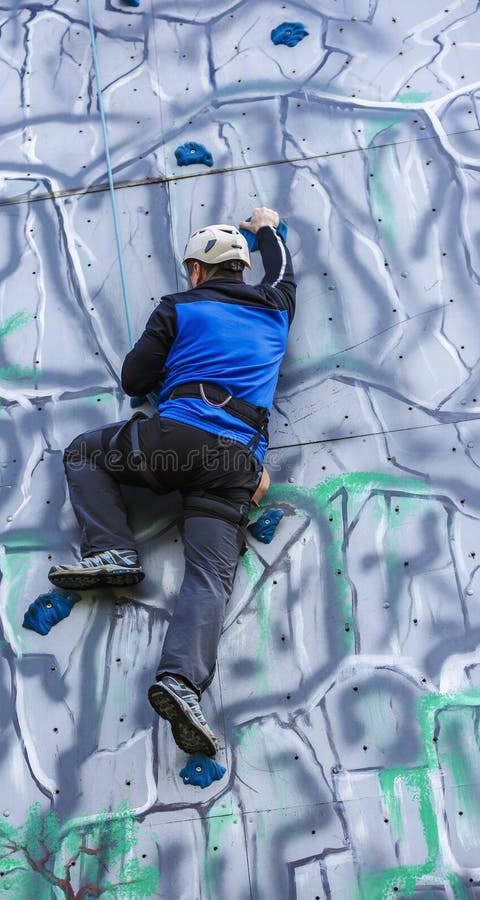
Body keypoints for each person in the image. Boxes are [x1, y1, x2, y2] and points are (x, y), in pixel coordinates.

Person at [49, 207, 296, 757]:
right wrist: (265, 228)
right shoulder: (277, 307)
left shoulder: (179, 306)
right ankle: (181, 682)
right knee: (209, 577)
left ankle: (112, 552)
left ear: (196, 270)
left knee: (85, 454)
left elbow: (135, 378)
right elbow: (280, 270)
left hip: (176, 440)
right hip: (237, 465)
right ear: (240, 265)